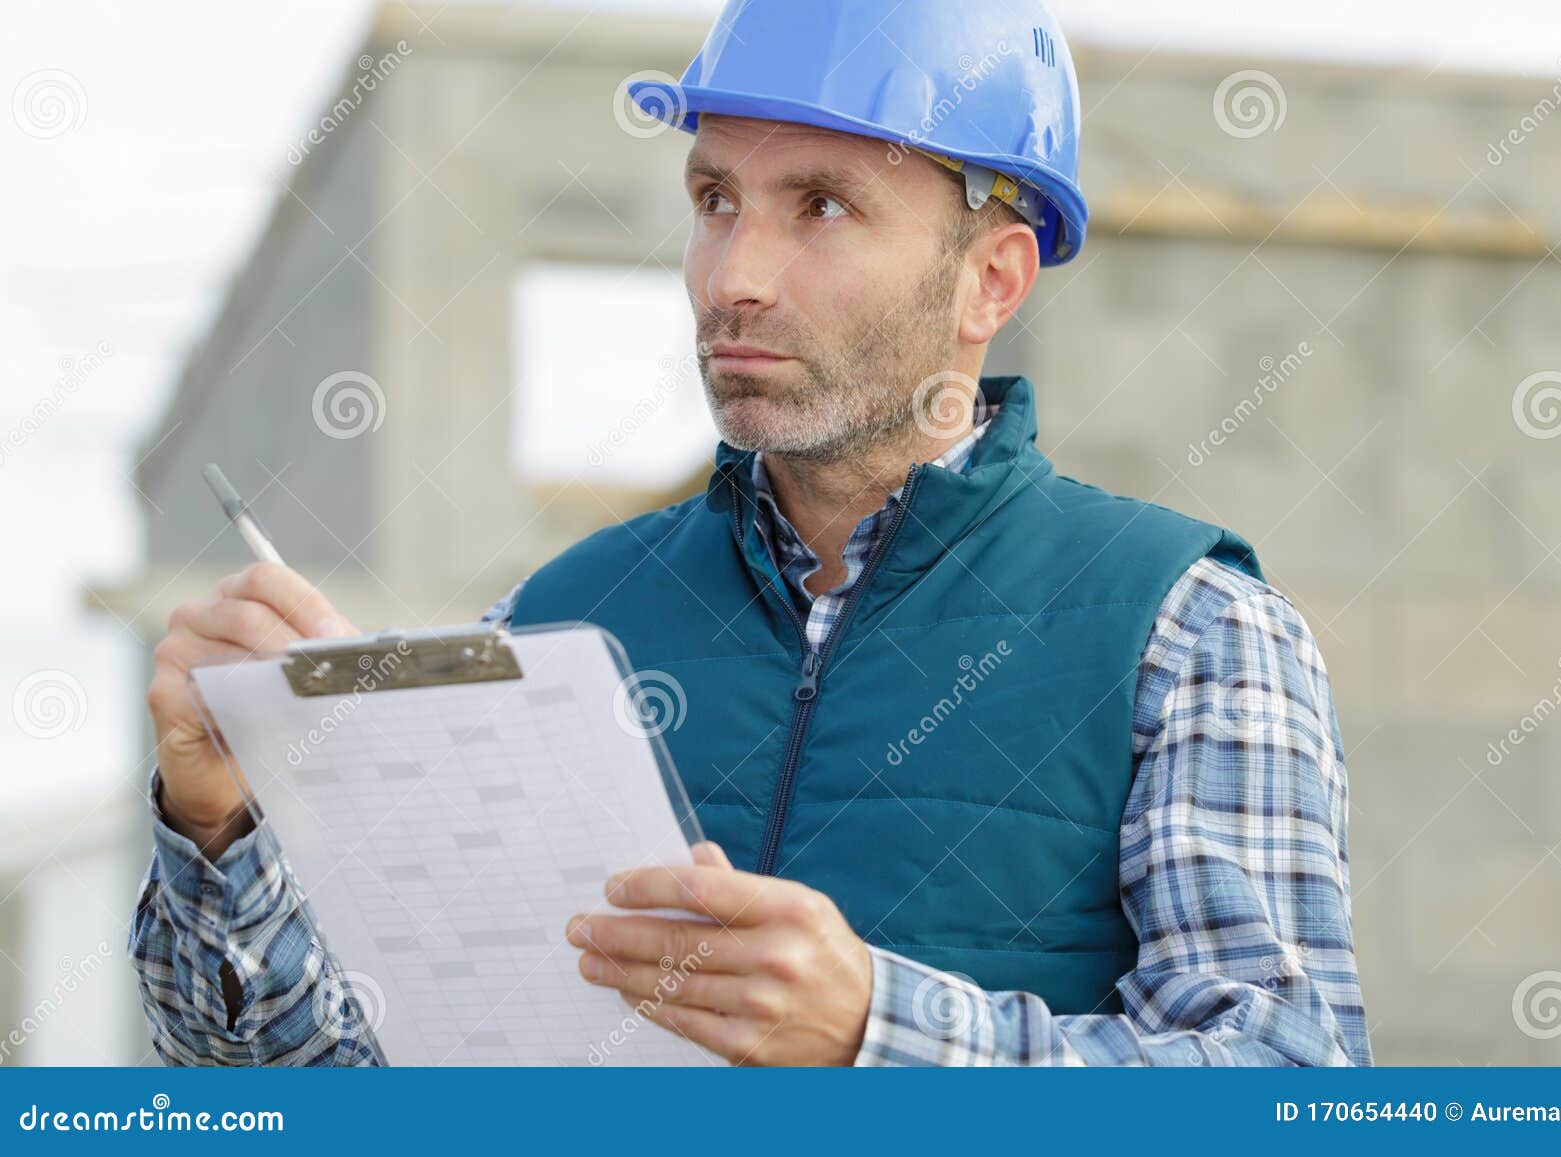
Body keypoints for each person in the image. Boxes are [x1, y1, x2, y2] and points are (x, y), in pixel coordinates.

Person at [130, 0, 1371, 1066]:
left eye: (821, 206)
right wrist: (223, 829)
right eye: (715, 199)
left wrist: (875, 1029)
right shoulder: (553, 621)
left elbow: (1290, 1081)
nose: (735, 275)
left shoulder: (1187, 629)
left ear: (990, 280)